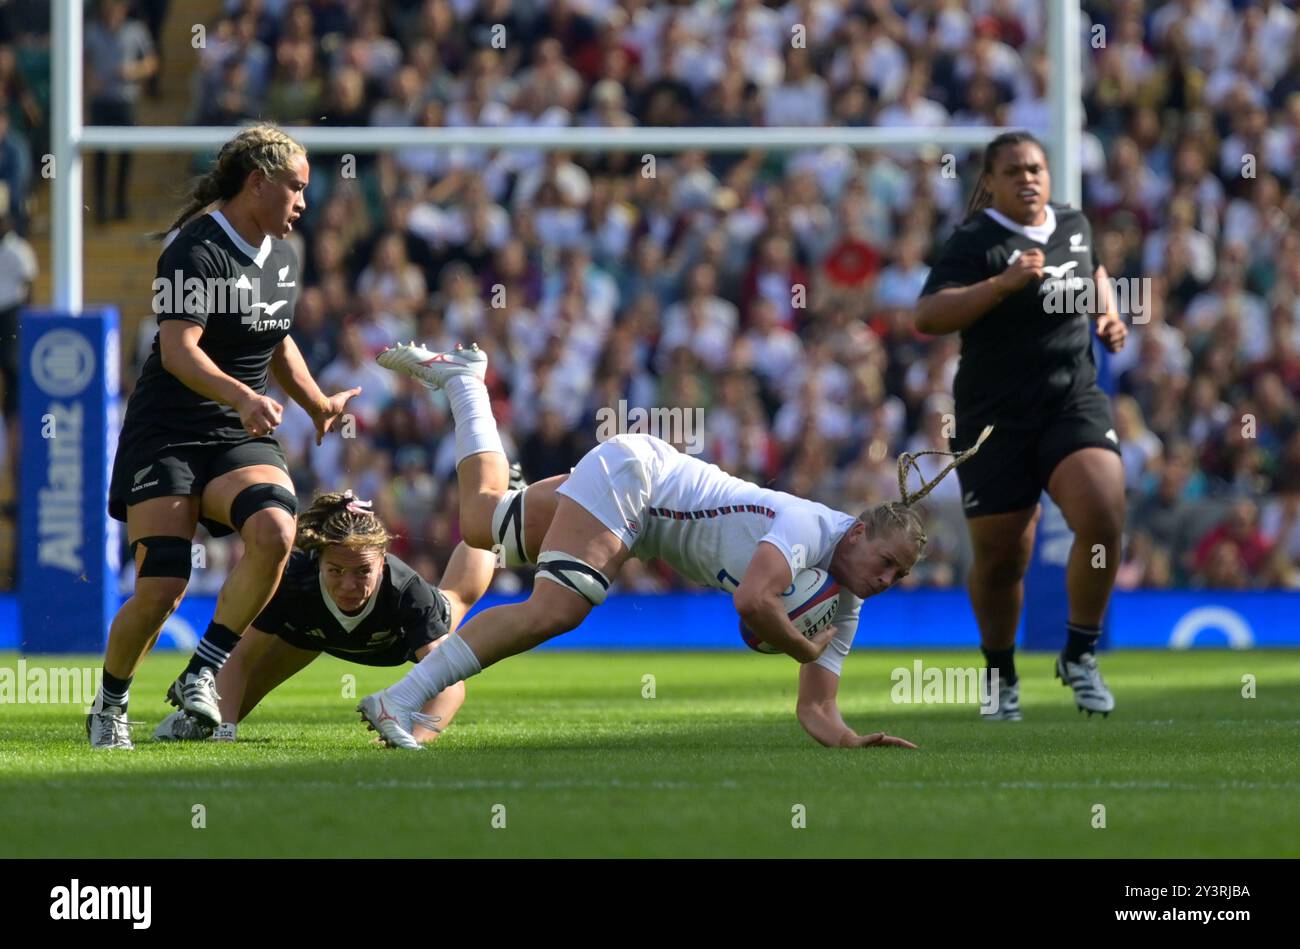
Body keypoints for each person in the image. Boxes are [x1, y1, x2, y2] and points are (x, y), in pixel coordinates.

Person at [356, 341, 989, 750]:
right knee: (559, 609)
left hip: (638, 503)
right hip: (640, 480)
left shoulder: (844, 601)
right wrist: (797, 642)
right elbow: (751, 603)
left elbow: (816, 706)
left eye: (897, 576)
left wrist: (850, 740)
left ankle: (466, 383)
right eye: (885, 562)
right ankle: (399, 700)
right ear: (857, 532)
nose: (885, 580)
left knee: (482, 523)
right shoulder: (806, 527)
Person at [88, 124, 359, 750]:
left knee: (276, 531)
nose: (302, 202)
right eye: (295, 187)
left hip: (237, 430)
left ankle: (202, 672)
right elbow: (180, 352)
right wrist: (243, 395)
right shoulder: (194, 249)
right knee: (162, 585)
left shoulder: (285, 254)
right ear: (257, 184)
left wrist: (316, 403)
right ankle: (110, 704)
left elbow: (275, 335)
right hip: (168, 432)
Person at [914, 130, 1129, 720]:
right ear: (992, 182)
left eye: (1036, 168)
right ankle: (1000, 673)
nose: (1028, 178)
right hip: (994, 418)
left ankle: (1080, 653)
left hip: (1070, 401)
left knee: (1105, 516)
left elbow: (1098, 270)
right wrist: (1001, 285)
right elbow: (927, 315)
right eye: (1014, 171)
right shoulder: (975, 241)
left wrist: (1108, 316)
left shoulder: (1073, 224)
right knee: (1004, 558)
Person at [155, 490, 499, 744]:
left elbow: (451, 687)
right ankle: (196, 724)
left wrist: (414, 737)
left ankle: (492, 515)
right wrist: (223, 734)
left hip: (395, 645)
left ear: (383, 560)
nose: (349, 586)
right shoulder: (292, 579)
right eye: (335, 570)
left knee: (459, 594)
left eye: (363, 571)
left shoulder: (408, 591)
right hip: (313, 632)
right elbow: (240, 659)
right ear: (317, 561)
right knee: (231, 705)